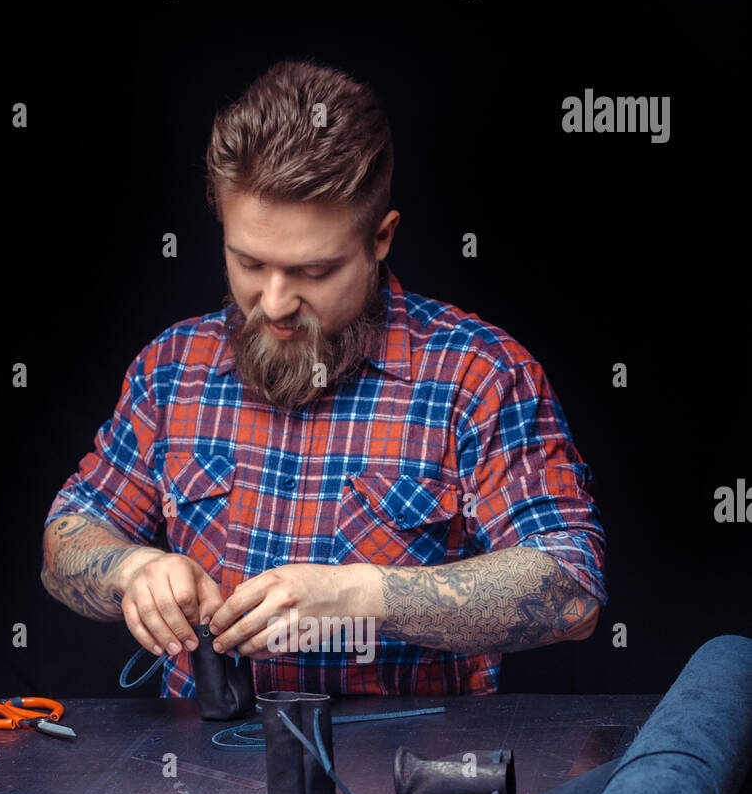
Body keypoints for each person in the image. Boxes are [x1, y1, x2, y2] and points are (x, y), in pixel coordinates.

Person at [41, 59, 606, 698]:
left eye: (312, 273)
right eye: (249, 261)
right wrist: (131, 568)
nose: (275, 302)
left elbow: (571, 588)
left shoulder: (480, 376)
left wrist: (359, 596)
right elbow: (68, 535)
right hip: (194, 779)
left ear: (381, 238)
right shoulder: (170, 370)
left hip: (406, 778)